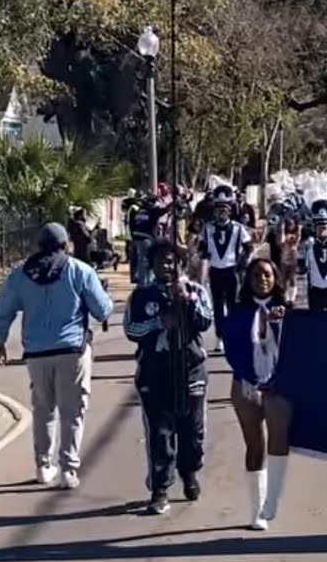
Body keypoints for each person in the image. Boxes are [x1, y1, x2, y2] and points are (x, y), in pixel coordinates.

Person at [0, 223, 113, 489]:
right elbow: (102, 310)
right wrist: (107, 297)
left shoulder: (20, 275)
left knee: (44, 409)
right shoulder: (79, 270)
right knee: (73, 411)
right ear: (65, 244)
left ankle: (43, 465)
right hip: (72, 350)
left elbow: (4, 310)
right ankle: (68, 469)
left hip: (36, 353)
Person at [124, 239, 214, 514]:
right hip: (155, 371)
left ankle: (190, 473)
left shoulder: (196, 290)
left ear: (181, 264)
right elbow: (131, 329)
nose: (167, 264)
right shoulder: (141, 296)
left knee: (192, 431)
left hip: (190, 370)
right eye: (161, 259)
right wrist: (158, 323)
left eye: (172, 260)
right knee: (160, 434)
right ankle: (160, 489)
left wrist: (187, 300)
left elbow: (206, 321)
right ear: (151, 264)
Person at [222, 257, 293, 530]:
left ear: (275, 278)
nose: (262, 280)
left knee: (278, 445)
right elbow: (232, 351)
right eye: (256, 276)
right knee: (255, 447)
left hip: (278, 389)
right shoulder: (238, 314)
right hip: (246, 388)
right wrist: (251, 380)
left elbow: (295, 351)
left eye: (267, 275)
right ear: (248, 281)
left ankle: (272, 501)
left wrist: (279, 323)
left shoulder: (287, 311)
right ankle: (257, 510)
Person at [198, 197, 253, 352]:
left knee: (233, 305)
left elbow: (248, 247)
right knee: (217, 306)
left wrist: (242, 263)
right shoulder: (208, 228)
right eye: (218, 210)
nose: (221, 213)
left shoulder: (238, 228)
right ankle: (220, 337)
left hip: (232, 271)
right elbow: (201, 246)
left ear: (229, 212)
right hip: (215, 270)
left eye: (224, 210)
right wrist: (203, 254)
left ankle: (234, 335)